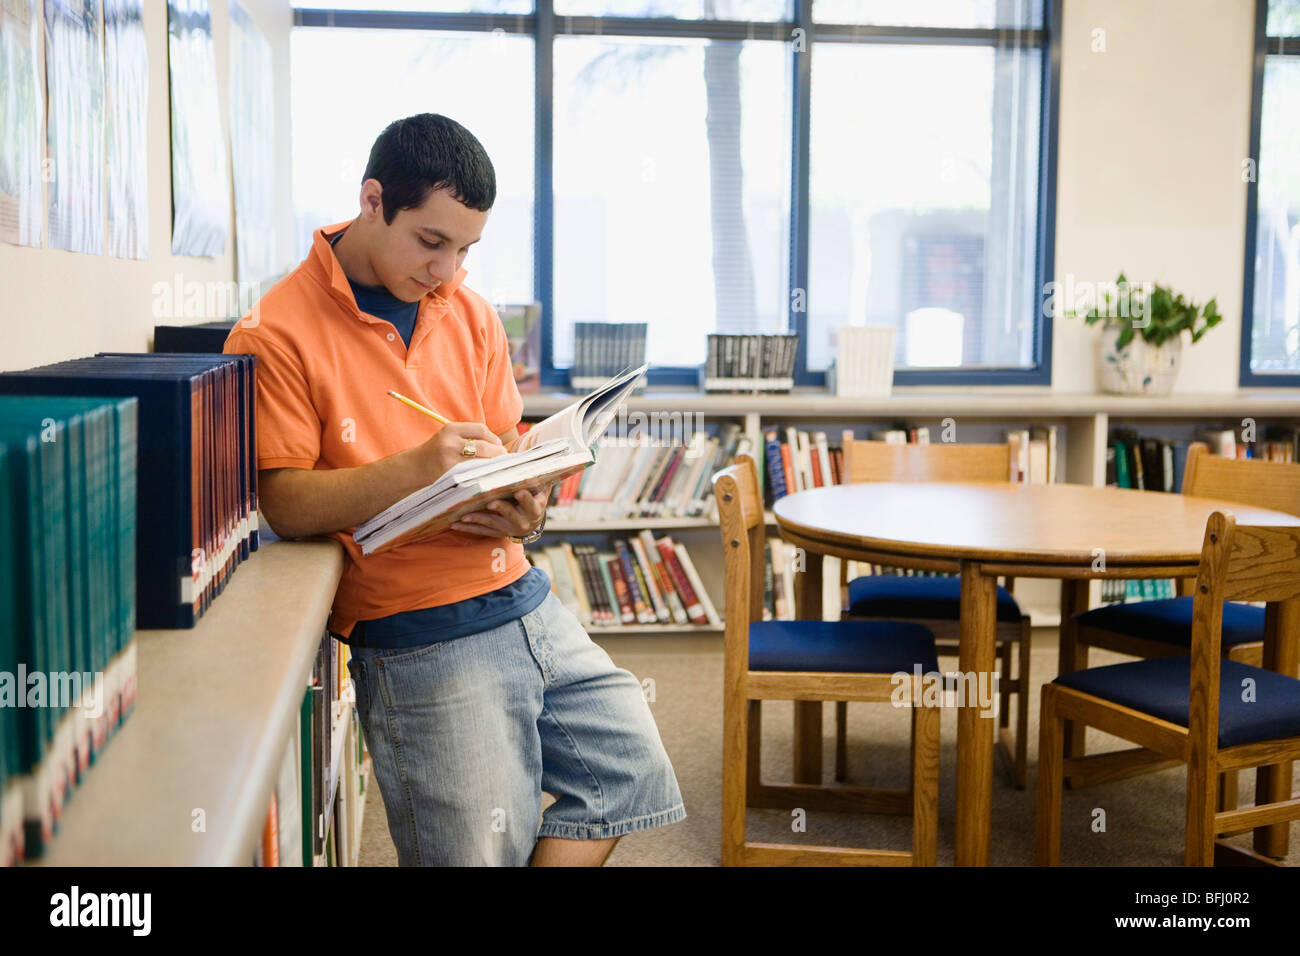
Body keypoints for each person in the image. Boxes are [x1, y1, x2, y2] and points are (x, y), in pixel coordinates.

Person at [224, 113, 684, 866]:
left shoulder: (468, 312)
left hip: (523, 595)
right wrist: (418, 468)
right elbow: (285, 502)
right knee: (478, 851)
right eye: (431, 242)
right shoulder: (274, 331)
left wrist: (528, 506)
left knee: (627, 772)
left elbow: (504, 448)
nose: (448, 271)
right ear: (372, 200)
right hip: (416, 629)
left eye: (466, 249)